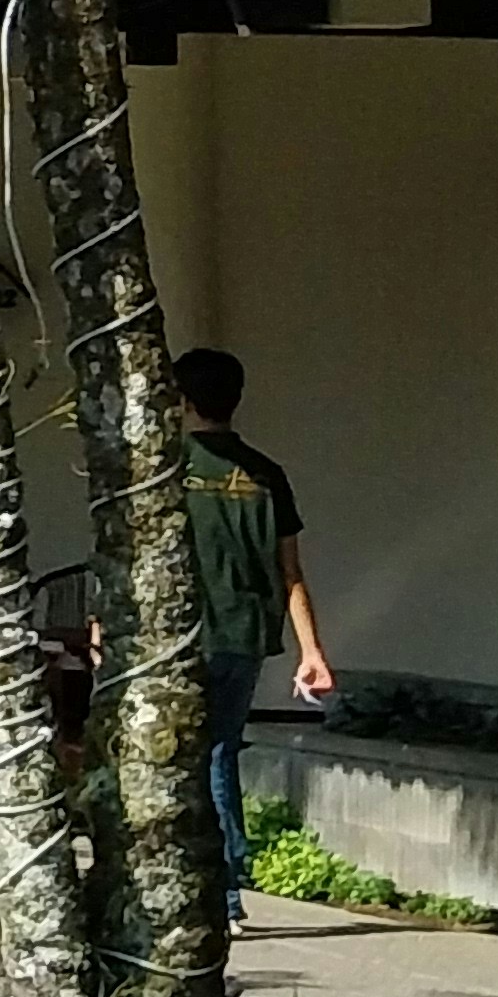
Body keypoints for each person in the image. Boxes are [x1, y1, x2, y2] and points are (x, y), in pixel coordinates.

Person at [174, 342, 342, 911]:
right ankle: (229, 891)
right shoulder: (267, 474)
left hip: (179, 637)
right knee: (220, 754)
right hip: (244, 636)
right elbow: (290, 571)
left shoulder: (170, 471)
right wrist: (311, 650)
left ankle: (205, 885)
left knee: (175, 761)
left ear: (181, 399)